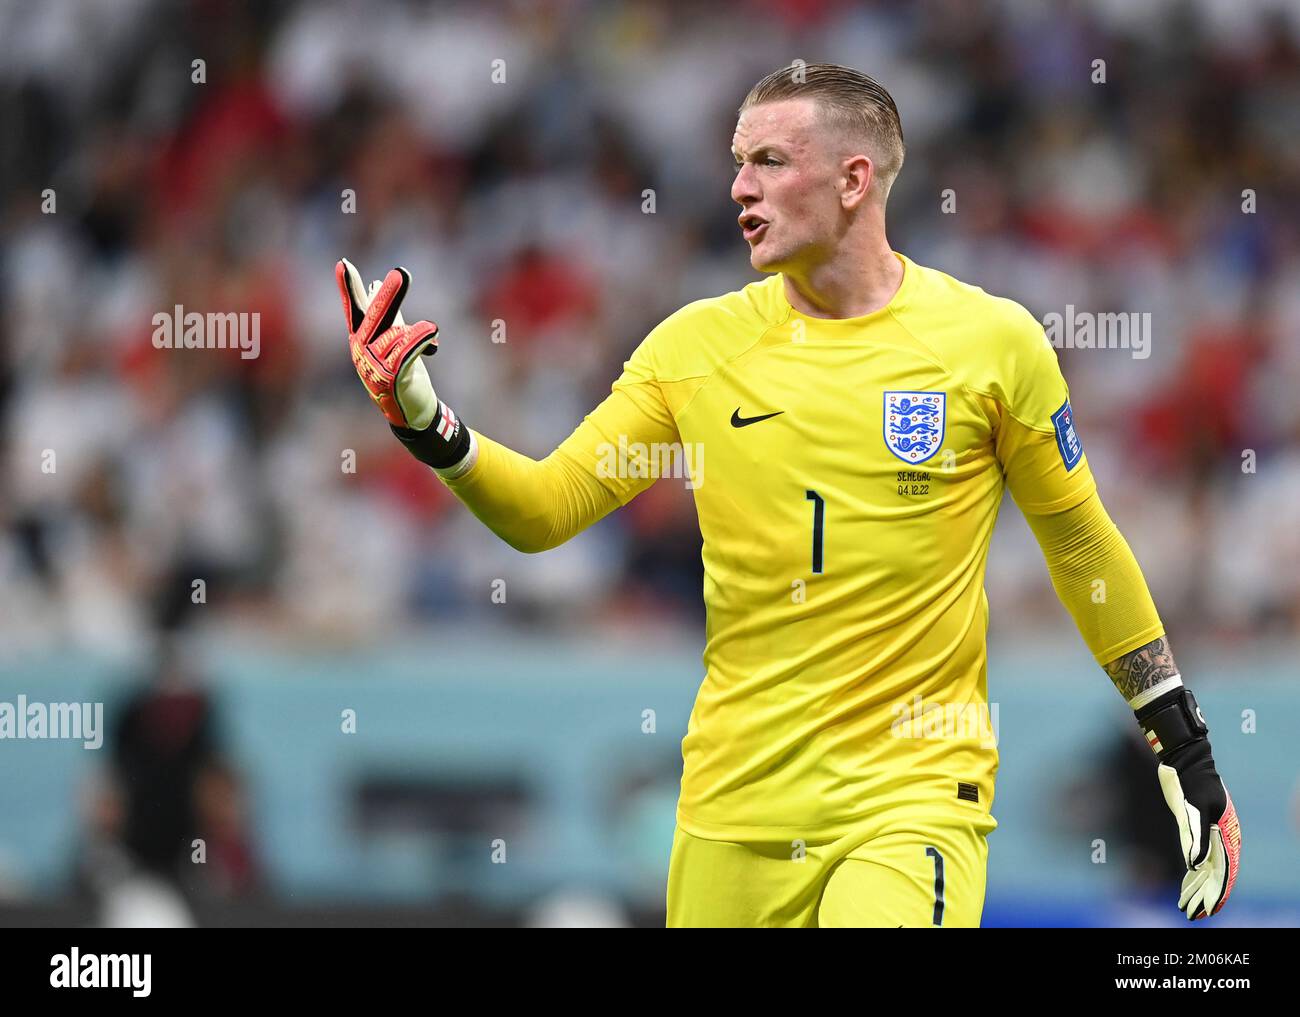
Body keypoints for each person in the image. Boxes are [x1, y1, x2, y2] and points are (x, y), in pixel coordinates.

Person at [337, 63, 1239, 927]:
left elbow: (1080, 545)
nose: (739, 186)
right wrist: (429, 425)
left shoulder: (991, 344)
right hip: (732, 810)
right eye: (736, 161)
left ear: (853, 179)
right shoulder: (694, 348)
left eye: (768, 160)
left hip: (909, 802)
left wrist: (1179, 739)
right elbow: (544, 509)